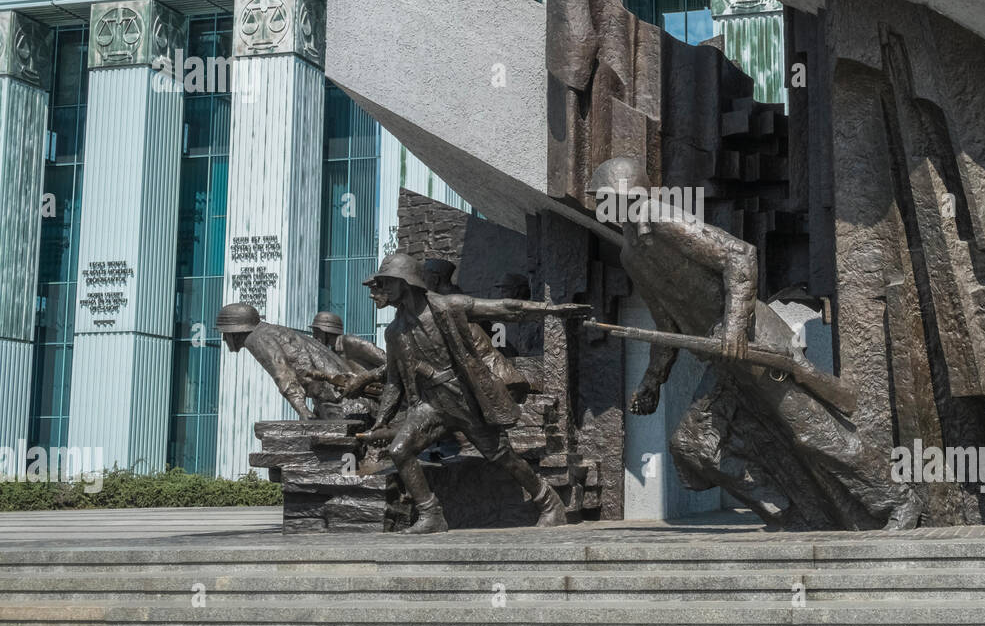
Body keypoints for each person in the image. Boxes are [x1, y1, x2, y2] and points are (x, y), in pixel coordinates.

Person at [587, 156, 923, 531]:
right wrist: (652, 380)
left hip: (756, 342)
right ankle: (792, 514)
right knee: (694, 446)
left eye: (605, 197)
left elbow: (741, 256)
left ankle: (899, 499)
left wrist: (732, 328)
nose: (602, 206)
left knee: (814, 431)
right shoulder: (631, 254)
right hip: (725, 361)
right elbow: (666, 321)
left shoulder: (663, 220)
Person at [361, 253, 589, 533]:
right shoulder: (395, 331)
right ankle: (431, 515)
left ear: (405, 283)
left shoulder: (446, 307)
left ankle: (548, 501)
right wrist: (381, 422)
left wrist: (550, 311)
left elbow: (502, 308)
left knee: (502, 456)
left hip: (464, 399)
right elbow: (395, 382)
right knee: (400, 450)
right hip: (431, 405)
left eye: (385, 282)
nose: (380, 289)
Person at [216, 302, 355, 421]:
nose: (224, 339)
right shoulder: (270, 330)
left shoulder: (256, 338)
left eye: (225, 333)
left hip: (340, 401)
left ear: (234, 332)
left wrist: (303, 411)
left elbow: (283, 375)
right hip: (341, 397)